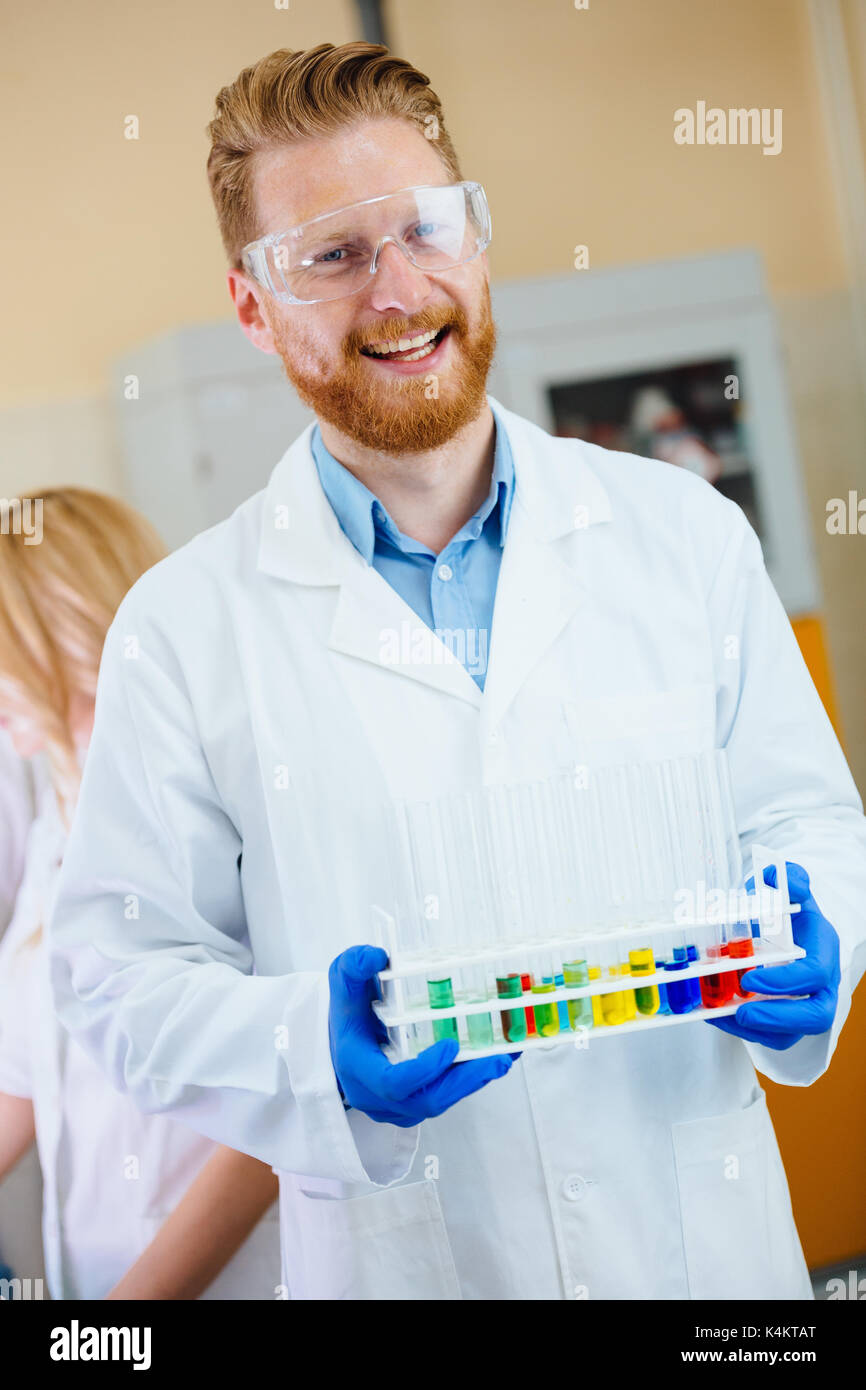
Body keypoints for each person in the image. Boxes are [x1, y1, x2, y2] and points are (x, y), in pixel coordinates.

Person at [49, 43, 866, 1301]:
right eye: (332, 253)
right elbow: (115, 975)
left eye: (426, 230)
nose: (398, 288)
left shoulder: (680, 533)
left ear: (476, 243)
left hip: (702, 1267)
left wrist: (814, 922)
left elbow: (806, 812)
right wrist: (305, 1052)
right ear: (254, 306)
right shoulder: (185, 627)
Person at [0, 488, 280, 1299]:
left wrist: (134, 1312)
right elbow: (23, 1074)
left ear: (68, 633)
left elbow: (287, 1103)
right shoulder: (59, 809)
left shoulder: (221, 793)